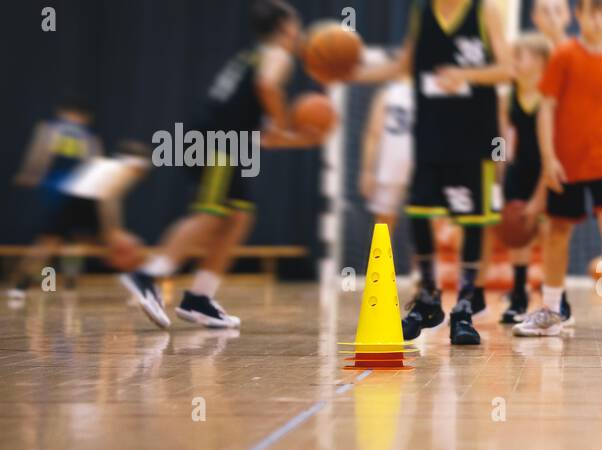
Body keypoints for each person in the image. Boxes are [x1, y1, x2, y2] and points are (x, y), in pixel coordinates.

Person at [120, 0, 324, 329]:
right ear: (285, 28)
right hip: (219, 142)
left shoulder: (251, 56)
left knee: (239, 216)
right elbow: (268, 88)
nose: (299, 30)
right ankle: (146, 276)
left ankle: (199, 298)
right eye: (296, 23)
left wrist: (303, 138)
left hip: (226, 141)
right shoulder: (277, 55)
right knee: (208, 214)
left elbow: (265, 136)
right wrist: (285, 121)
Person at [352, 0, 513, 346]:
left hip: (473, 138)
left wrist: (465, 75)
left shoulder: (484, 13)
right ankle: (428, 301)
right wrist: (349, 72)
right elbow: (403, 66)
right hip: (430, 137)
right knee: (420, 214)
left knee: (472, 222)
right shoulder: (421, 13)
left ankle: (465, 308)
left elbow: (507, 69)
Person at [512, 0, 602, 340]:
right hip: (567, 158)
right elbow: (546, 108)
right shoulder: (564, 56)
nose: (596, 20)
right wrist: (549, 158)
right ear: (579, 17)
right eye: (590, 13)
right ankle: (550, 309)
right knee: (558, 229)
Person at [9, 94, 102, 298]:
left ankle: (29, 284)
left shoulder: (51, 129)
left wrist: (30, 175)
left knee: (48, 240)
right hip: (81, 193)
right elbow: (94, 166)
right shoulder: (89, 137)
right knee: (74, 241)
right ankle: (69, 283)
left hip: (55, 191)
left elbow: (39, 156)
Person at [498, 33, 553, 324]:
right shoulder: (509, 97)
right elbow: (501, 142)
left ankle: (556, 297)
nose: (515, 62)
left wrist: (539, 195)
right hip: (517, 171)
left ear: (541, 62)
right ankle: (518, 294)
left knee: (547, 234)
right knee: (517, 232)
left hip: (544, 170)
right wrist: (497, 175)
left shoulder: (549, 96)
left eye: (521, 56)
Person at [359, 71, 414, 236]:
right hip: (425, 164)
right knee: (427, 228)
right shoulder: (435, 91)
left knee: (383, 227)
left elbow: (373, 133)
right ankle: (425, 262)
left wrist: (367, 171)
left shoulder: (387, 93)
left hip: (392, 165)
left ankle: (381, 262)